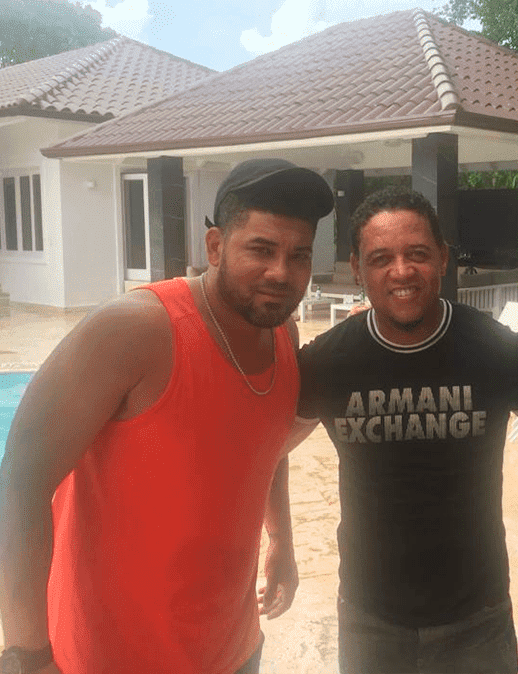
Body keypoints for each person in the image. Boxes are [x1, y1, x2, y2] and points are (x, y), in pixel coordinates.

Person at [0, 158, 334, 674]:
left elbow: (264, 448)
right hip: (110, 658)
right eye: (261, 250)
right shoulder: (137, 331)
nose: (281, 273)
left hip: (233, 650)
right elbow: (22, 478)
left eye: (300, 255)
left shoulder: (282, 338)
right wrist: (28, 657)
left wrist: (282, 542)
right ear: (216, 247)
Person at [291, 187, 518, 673]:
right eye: (381, 258)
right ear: (358, 268)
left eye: (418, 254)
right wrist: (279, 540)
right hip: (370, 616)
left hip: (477, 613)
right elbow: (264, 451)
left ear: (443, 259)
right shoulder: (327, 362)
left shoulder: (495, 350)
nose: (401, 272)